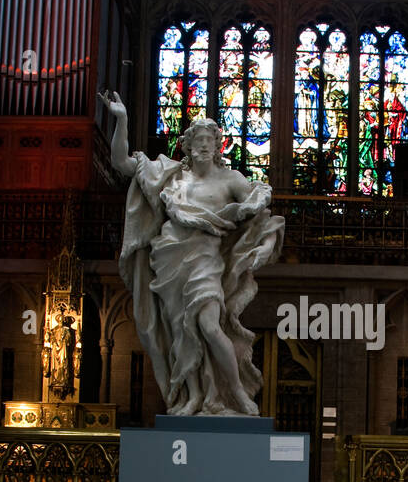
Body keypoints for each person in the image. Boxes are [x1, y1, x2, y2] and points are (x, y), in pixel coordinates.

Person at [99, 91, 284, 416]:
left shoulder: (231, 180)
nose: (202, 145)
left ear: (217, 146)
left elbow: (263, 217)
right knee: (180, 332)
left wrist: (265, 247)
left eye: (208, 139)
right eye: (196, 139)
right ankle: (195, 397)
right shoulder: (172, 175)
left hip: (206, 261)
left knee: (209, 325)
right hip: (169, 260)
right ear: (187, 145)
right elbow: (122, 163)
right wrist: (122, 119)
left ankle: (237, 394)